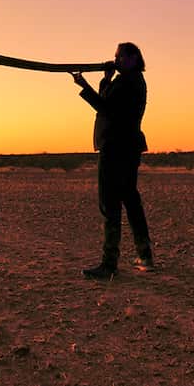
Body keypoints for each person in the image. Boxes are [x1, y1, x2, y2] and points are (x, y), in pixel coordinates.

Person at [71, 42, 154, 279]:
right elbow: (108, 103)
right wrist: (106, 79)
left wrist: (83, 85)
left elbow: (104, 107)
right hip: (126, 148)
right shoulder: (131, 80)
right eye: (116, 56)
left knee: (110, 203)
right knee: (130, 200)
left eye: (120, 57)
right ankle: (144, 255)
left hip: (117, 149)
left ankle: (109, 264)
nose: (116, 60)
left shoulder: (129, 82)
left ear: (134, 58)